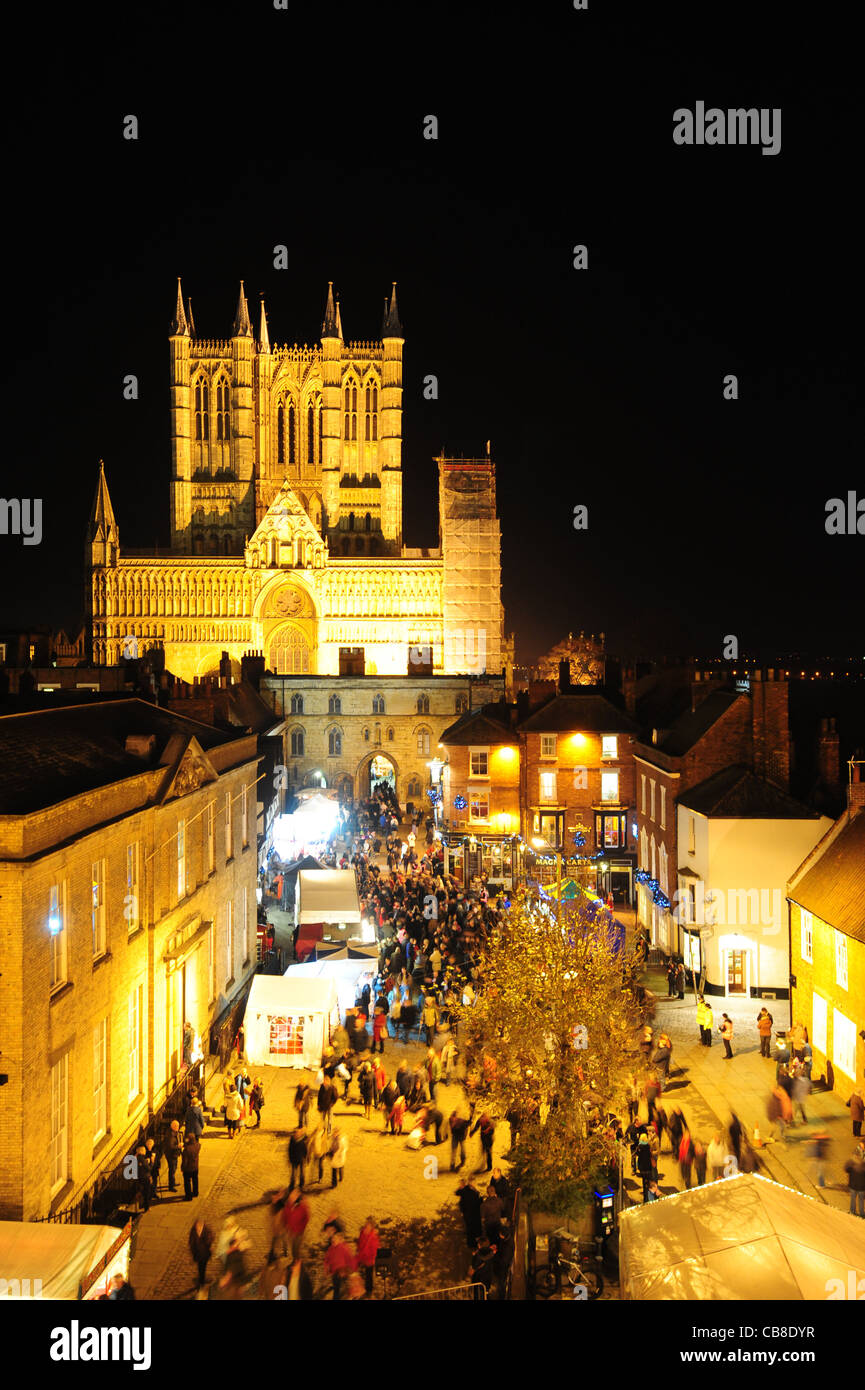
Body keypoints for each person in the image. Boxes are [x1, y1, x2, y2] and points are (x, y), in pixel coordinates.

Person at [323, 1231, 356, 1301]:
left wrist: (352, 1269)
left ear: (339, 1240)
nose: (333, 1240)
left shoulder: (343, 1248)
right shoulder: (330, 1249)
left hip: (343, 1271)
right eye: (333, 1238)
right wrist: (326, 1267)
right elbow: (326, 1259)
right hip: (334, 1272)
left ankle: (347, 1296)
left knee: (345, 1288)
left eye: (335, 1238)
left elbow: (349, 1258)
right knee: (336, 1288)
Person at [356, 1217, 380, 1297]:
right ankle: (359, 1290)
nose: (366, 1226)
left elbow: (374, 1250)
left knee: (369, 1276)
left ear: (371, 1227)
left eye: (368, 1226)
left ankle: (369, 1291)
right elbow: (359, 1243)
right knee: (360, 1274)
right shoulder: (362, 1233)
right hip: (361, 1257)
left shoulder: (373, 1237)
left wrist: (370, 1258)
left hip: (369, 1259)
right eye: (366, 1225)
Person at [284, 1187, 310, 1259]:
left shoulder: (302, 1207)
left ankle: (297, 1262)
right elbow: (285, 1216)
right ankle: (295, 1260)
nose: (292, 1197)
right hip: (290, 1232)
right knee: (292, 1248)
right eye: (291, 1195)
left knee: (296, 1250)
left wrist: (300, 1229)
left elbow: (306, 1219)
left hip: (298, 1233)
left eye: (295, 1195)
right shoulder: (287, 1205)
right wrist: (286, 1225)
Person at [456, 1177, 483, 1248]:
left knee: (469, 1229)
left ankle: (471, 1243)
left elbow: (458, 1194)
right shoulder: (472, 1193)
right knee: (472, 1230)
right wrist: (481, 1199)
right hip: (472, 1214)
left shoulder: (466, 1189)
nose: (475, 1184)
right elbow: (477, 1203)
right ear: (472, 1183)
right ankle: (473, 1244)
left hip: (467, 1214)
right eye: (475, 1183)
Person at [188, 1218, 213, 1289]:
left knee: (203, 1266)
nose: (198, 1227)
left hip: (205, 1253)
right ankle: (201, 1280)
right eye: (197, 1226)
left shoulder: (206, 1230)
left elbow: (211, 1237)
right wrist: (193, 1251)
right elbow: (191, 1241)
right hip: (198, 1254)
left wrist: (208, 1241)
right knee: (200, 1267)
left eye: (200, 1225)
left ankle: (202, 1279)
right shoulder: (193, 1231)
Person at [844, 1143, 865, 1218]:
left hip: (853, 1185)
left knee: (853, 1199)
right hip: (862, 1186)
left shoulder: (851, 1162)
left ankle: (852, 1211)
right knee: (861, 1200)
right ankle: (862, 1214)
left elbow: (846, 1169)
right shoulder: (863, 1164)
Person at [162, 1119, 182, 1193]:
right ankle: (171, 1186)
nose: (178, 1127)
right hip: (171, 1155)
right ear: (173, 1126)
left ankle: (173, 1182)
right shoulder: (170, 1135)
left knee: (174, 1168)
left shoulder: (174, 1132)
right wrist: (179, 1146)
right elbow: (171, 1146)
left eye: (178, 1126)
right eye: (177, 1126)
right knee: (172, 1170)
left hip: (174, 1154)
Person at [181, 1132, 200, 1200]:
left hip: (188, 1168)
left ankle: (188, 1196)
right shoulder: (197, 1145)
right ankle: (195, 1192)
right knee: (195, 1180)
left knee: (187, 1182)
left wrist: (183, 1168)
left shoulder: (187, 1149)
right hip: (195, 1167)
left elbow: (185, 1161)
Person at [636, 1133, 653, 1203]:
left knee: (644, 1181)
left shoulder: (640, 1146)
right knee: (648, 1181)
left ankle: (645, 1197)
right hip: (648, 1166)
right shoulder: (648, 1146)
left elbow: (637, 1154)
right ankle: (650, 1196)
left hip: (642, 1167)